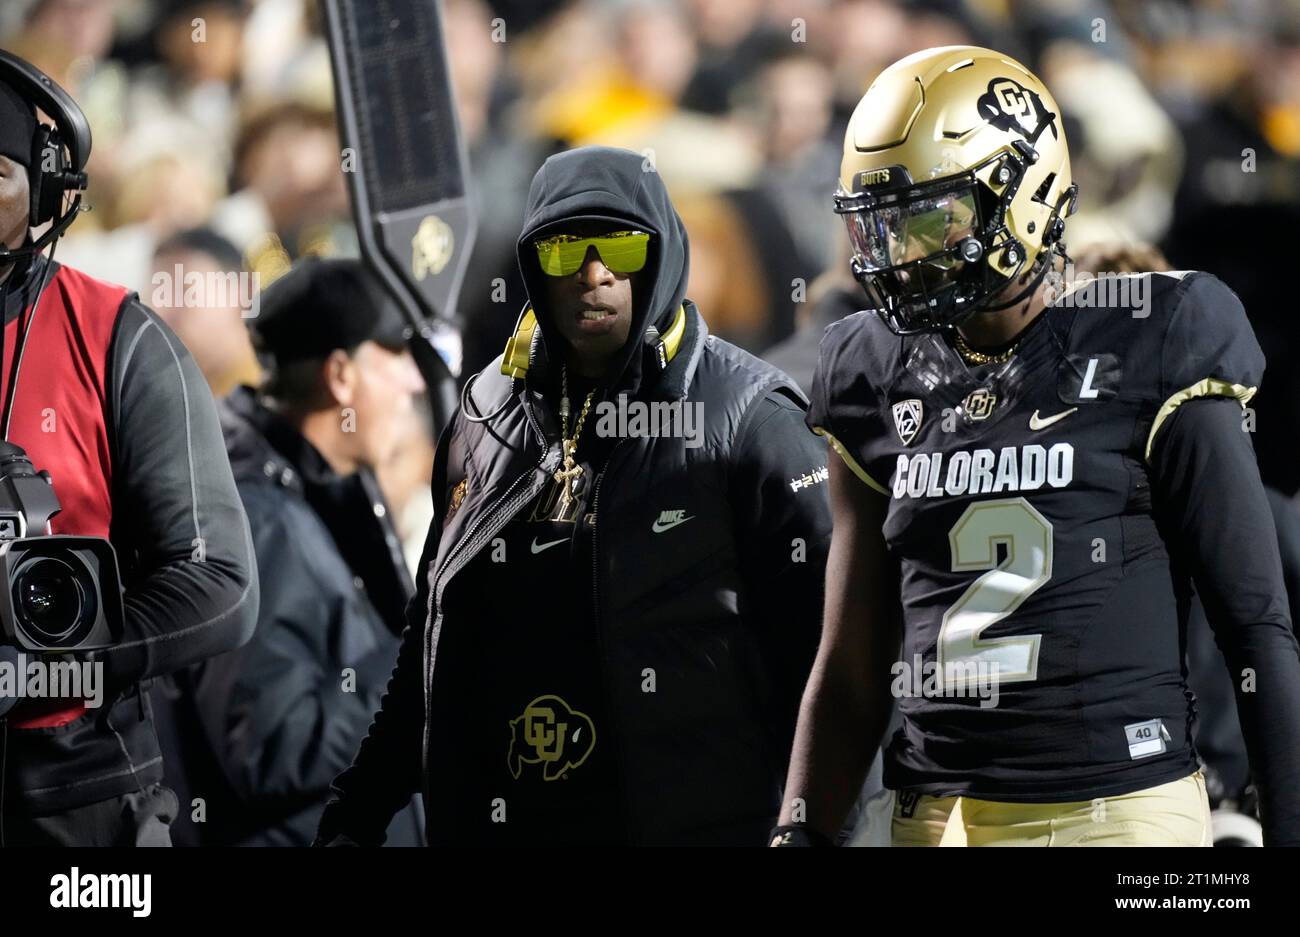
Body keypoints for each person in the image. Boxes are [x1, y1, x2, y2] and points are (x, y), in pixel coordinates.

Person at [774, 46, 1300, 847]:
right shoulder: (873, 370)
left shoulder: (1153, 336)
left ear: (1024, 193)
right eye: (881, 224)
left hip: (1112, 815)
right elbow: (849, 665)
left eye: (930, 216)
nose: (901, 254)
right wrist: (798, 832)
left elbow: (1256, 625)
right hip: (929, 816)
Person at [316, 145, 831, 846]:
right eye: (564, 250)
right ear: (533, 266)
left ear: (661, 252)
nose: (594, 274)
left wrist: (812, 828)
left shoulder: (751, 418)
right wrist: (361, 804)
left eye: (618, 244)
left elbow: (834, 657)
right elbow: (432, 628)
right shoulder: (484, 411)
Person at [0, 49, 257, 846]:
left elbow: (219, 580)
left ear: (42, 192)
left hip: (74, 791)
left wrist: (43, 668)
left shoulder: (120, 338)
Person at [156, 257, 427, 846]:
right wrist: (414, 662)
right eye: (395, 354)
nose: (415, 381)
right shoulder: (259, 520)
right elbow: (270, 746)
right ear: (341, 377)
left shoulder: (311, 482)